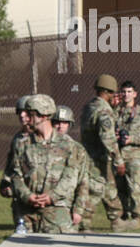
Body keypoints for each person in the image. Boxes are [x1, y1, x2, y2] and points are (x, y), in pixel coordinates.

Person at [9, 96, 90, 233]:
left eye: (30, 114)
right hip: (27, 214)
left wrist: (52, 197)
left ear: (43, 115)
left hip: (58, 215)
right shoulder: (22, 144)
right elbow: (16, 175)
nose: (25, 118)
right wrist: (28, 196)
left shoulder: (71, 147)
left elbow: (73, 179)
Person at [79, 74, 127, 232]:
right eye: (113, 93)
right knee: (95, 191)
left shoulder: (90, 106)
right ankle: (83, 224)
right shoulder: (104, 111)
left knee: (109, 188)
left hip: (89, 155)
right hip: (98, 158)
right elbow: (108, 138)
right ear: (109, 92)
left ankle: (116, 220)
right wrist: (118, 160)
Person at [115, 81, 140, 229]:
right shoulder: (115, 112)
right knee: (120, 187)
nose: (126, 95)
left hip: (135, 155)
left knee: (136, 186)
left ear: (135, 94)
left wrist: (133, 139)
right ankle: (124, 215)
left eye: (129, 91)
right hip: (118, 155)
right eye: (124, 92)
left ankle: (137, 216)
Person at [0, 95, 34, 223]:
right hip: (20, 190)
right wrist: (6, 181)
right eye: (19, 112)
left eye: (26, 111)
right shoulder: (18, 138)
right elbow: (12, 162)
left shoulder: (41, 137)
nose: (22, 115)